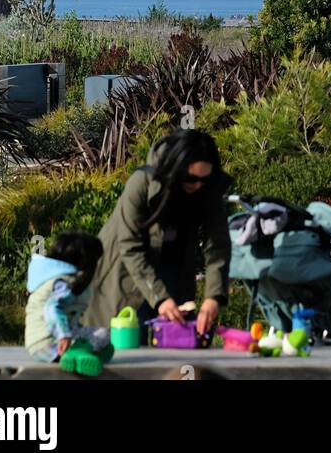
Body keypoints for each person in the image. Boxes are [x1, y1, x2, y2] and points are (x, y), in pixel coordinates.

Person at [84, 128, 232, 337]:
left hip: (173, 268)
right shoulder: (141, 182)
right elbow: (129, 246)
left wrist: (213, 297)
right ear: (176, 169)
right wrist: (160, 297)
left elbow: (217, 245)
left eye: (203, 179)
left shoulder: (208, 187)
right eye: (191, 178)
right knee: (124, 343)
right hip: (125, 271)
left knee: (172, 341)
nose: (197, 184)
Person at [25, 230, 114, 375]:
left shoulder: (58, 278)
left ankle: (80, 354)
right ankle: (75, 356)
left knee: (104, 339)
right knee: (100, 335)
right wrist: (64, 335)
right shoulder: (62, 282)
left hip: (42, 343)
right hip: (50, 342)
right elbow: (51, 308)